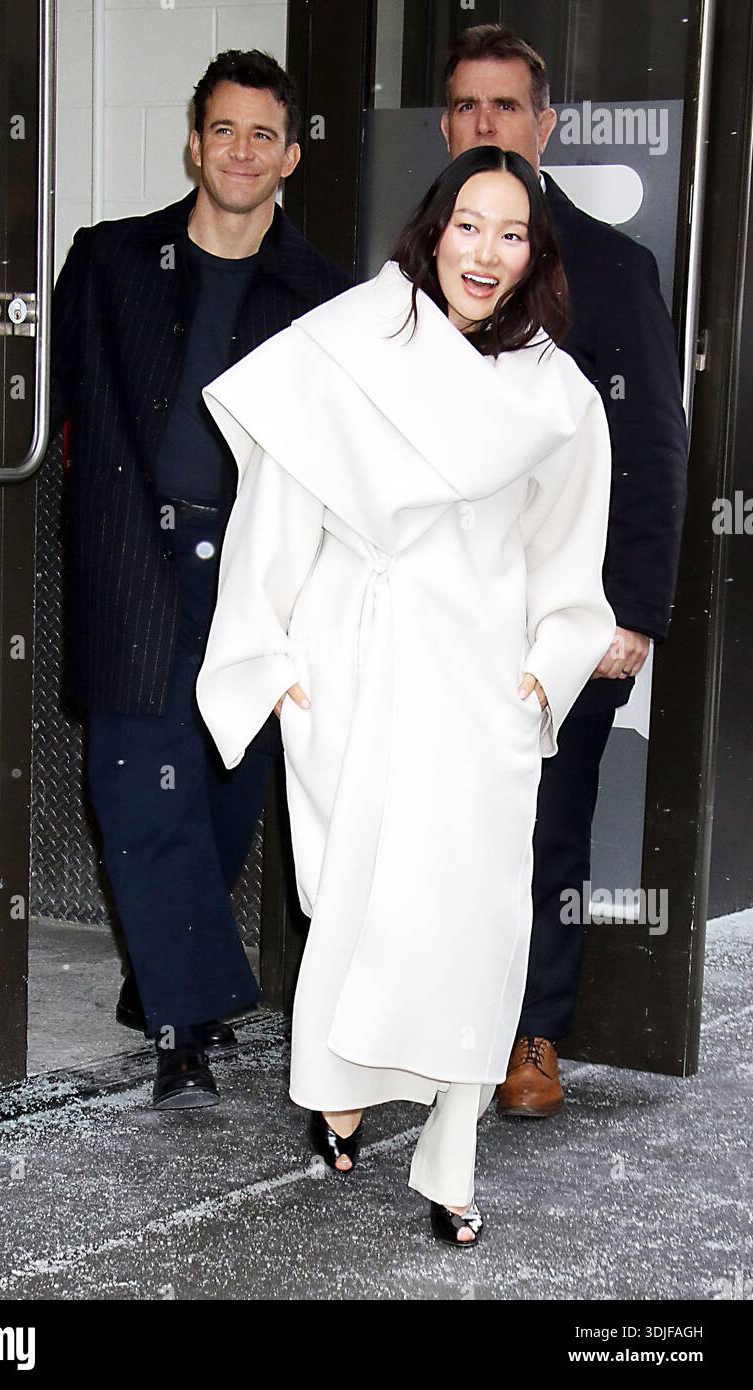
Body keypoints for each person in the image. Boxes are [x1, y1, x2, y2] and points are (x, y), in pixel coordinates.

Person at [195, 146, 616, 1245]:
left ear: (535, 255)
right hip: (360, 673)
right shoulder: (346, 349)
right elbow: (274, 515)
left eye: (511, 233)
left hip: (479, 689)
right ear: (432, 232)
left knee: (472, 928)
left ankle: (451, 1158)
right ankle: (338, 1091)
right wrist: (271, 660)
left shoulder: (556, 397)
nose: (485, 252)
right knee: (365, 909)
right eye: (467, 225)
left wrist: (543, 667)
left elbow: (569, 561)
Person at [49, 50, 350, 1110]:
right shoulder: (109, 260)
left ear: (291, 156)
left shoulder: (328, 297)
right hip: (137, 554)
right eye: (222, 129)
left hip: (264, 576)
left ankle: (166, 983)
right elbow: (39, 400)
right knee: (137, 783)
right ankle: (186, 1026)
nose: (239, 150)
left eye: (261, 134)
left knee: (223, 797)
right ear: (193, 139)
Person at [440, 26, 688, 1115]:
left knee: (545, 826)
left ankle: (531, 1035)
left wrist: (628, 613)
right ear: (444, 126)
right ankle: (438, 1026)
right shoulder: (407, 275)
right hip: (437, 608)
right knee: (436, 819)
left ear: (542, 126)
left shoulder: (610, 268)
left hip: (561, 614)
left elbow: (652, 453)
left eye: (504, 107)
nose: (483, 125)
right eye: (464, 107)